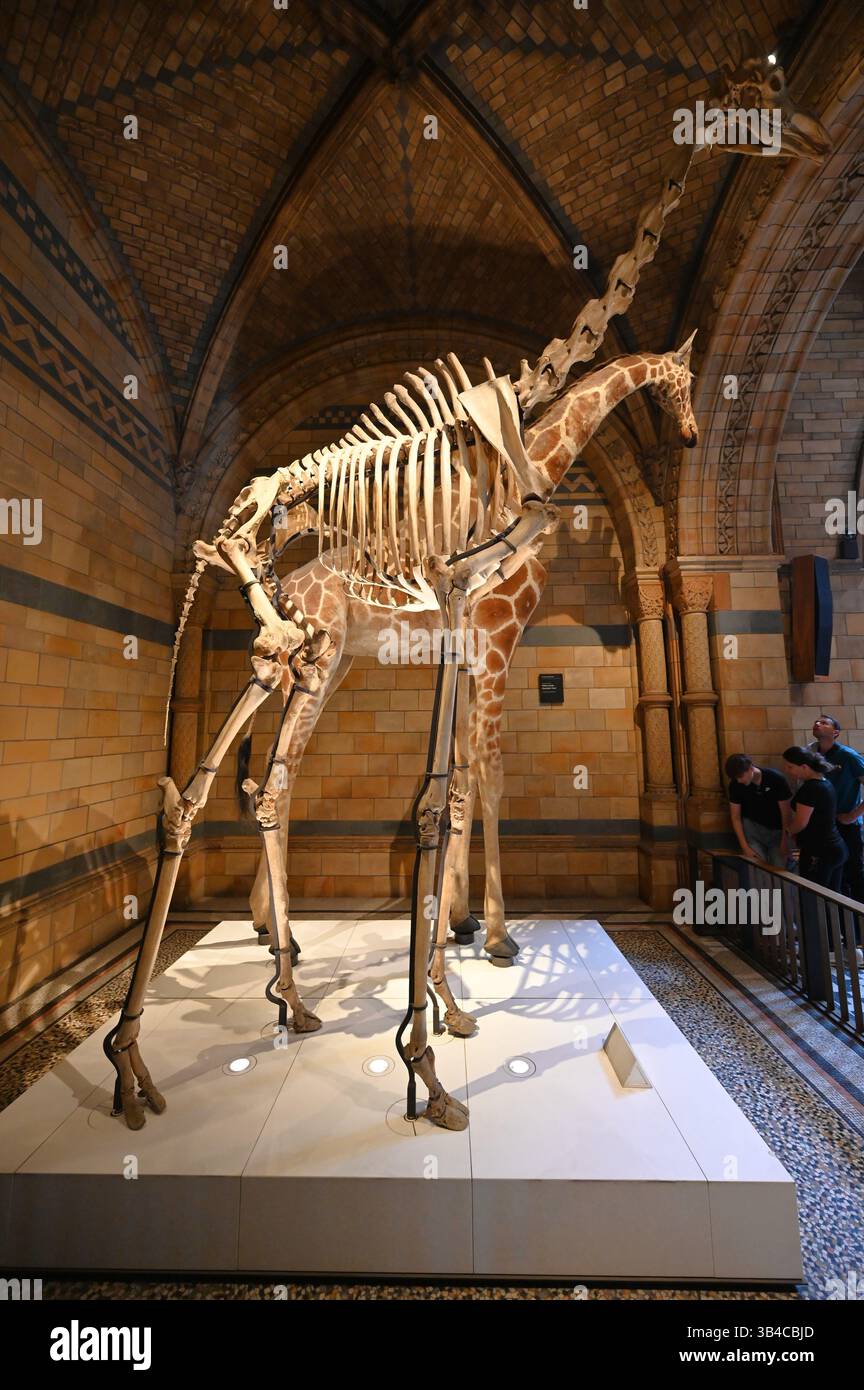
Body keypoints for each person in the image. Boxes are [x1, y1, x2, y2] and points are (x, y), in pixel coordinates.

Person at [808, 715, 864, 904]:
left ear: (836, 733)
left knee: (853, 872)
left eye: (823, 723)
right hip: (823, 825)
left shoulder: (848, 756)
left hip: (846, 824)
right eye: (816, 721)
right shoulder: (812, 755)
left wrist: (853, 815)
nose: (817, 723)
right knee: (831, 876)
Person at [782, 746, 848, 892]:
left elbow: (801, 823)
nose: (787, 770)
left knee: (813, 897)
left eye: (790, 767)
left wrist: (787, 831)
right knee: (832, 898)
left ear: (804, 767)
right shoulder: (825, 782)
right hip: (834, 848)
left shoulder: (811, 788)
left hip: (820, 851)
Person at [725, 754, 792, 868]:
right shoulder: (735, 785)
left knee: (779, 869)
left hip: (777, 831)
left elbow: (786, 813)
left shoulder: (775, 778)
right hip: (753, 831)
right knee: (758, 870)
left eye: (741, 776)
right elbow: (735, 817)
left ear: (750, 768)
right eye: (736, 778)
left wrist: (785, 841)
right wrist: (745, 847)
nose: (739, 781)